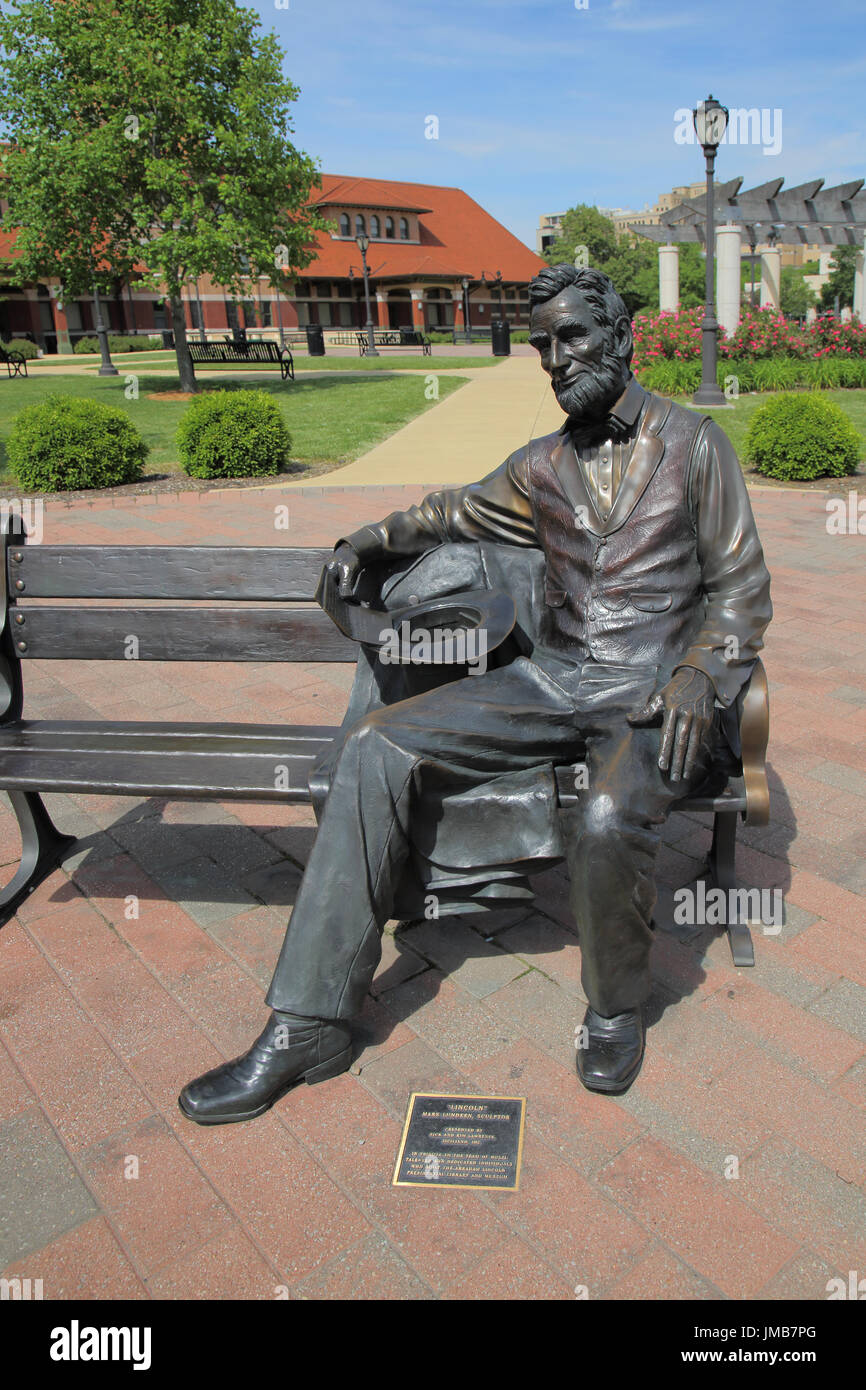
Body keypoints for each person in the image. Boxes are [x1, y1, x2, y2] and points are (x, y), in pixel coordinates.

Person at [179, 265, 772, 1125]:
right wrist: (364, 542)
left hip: (647, 695)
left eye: (572, 337)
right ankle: (310, 1020)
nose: (556, 359)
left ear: (622, 338)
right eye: (542, 344)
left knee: (606, 820)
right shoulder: (542, 465)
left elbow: (742, 588)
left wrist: (697, 674)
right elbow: (449, 512)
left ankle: (614, 1008)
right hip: (551, 678)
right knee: (375, 743)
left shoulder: (694, 445)